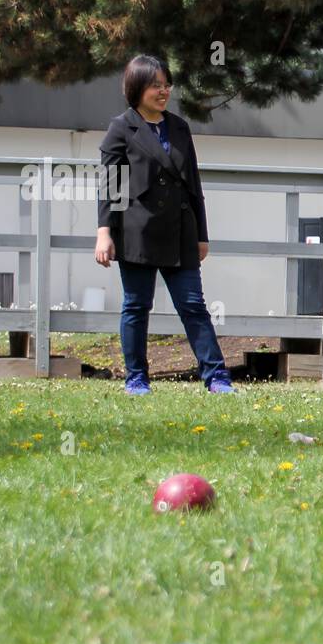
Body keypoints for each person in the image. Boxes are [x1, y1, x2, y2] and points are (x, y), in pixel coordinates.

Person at [94, 54, 233, 395]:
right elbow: (110, 186)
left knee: (193, 305)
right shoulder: (120, 128)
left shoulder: (180, 127)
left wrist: (202, 235)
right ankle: (137, 378)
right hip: (136, 232)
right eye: (155, 85)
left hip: (180, 232)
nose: (163, 91)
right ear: (137, 88)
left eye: (166, 84)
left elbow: (193, 185)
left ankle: (216, 377)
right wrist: (104, 233)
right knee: (136, 305)